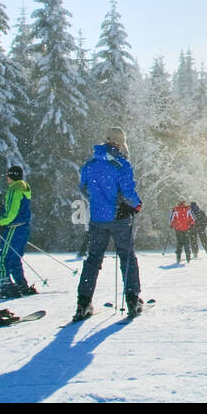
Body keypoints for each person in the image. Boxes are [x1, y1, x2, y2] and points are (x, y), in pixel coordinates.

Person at [75, 127, 143, 319]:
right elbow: (129, 193)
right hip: (119, 218)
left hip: (97, 219)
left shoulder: (90, 164)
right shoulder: (122, 165)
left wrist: (99, 201)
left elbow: (83, 188)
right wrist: (136, 205)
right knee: (127, 257)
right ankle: (132, 299)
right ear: (120, 143)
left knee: (93, 259)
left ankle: (83, 302)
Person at [0, 165, 35, 297]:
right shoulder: (24, 187)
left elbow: (11, 213)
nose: (6, 178)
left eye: (7, 175)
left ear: (11, 175)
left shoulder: (14, 190)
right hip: (23, 227)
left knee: (3, 256)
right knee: (15, 257)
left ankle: (5, 284)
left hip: (14, 227)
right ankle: (21, 283)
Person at [169, 199, 194, 263]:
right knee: (186, 243)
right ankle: (188, 258)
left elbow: (172, 218)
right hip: (186, 228)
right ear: (185, 202)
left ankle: (178, 258)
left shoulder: (175, 209)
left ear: (179, 202)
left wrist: (171, 225)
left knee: (179, 243)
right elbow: (192, 218)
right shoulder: (188, 209)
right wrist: (192, 224)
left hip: (178, 229)